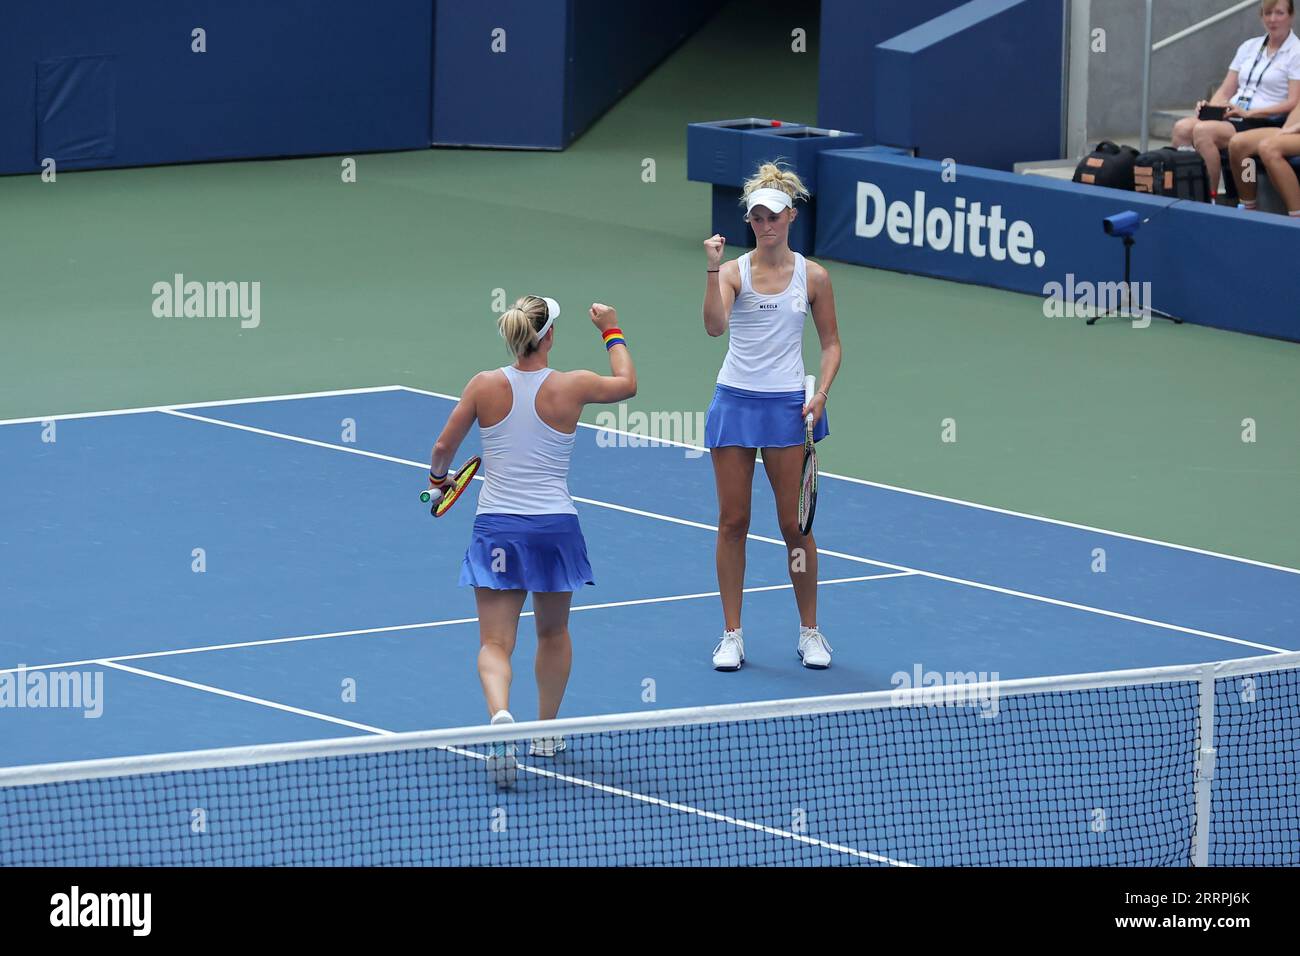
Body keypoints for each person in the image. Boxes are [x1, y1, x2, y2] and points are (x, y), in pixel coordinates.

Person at [429, 296, 635, 785]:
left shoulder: (483, 386)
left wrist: (440, 480)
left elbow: (443, 449)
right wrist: (612, 329)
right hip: (553, 529)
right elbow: (628, 383)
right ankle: (545, 732)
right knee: (553, 632)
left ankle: (501, 717)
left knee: (495, 642)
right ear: (549, 337)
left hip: (498, 527)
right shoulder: (573, 386)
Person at [701, 162, 842, 672]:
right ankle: (732, 635)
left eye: (774, 217)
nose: (765, 225)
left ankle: (810, 632)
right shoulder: (734, 272)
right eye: (757, 218)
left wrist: (821, 392)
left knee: (794, 527)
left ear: (791, 218)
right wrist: (713, 268)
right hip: (735, 404)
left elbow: (831, 345)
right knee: (733, 522)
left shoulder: (815, 277)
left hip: (787, 408)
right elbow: (715, 327)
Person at [1169, 0, 1300, 201]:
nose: (1273, 19)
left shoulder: (1296, 52)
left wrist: (1249, 113)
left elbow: (1293, 102)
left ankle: (1208, 200)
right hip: (1235, 114)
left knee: (1204, 131)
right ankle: (1187, 193)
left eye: (1279, 13)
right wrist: (1210, 108)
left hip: (1263, 119)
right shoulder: (1250, 46)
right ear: (1261, 16)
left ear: (1291, 16)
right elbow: (1226, 90)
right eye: (1268, 13)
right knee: (1182, 127)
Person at [1228, 95, 1300, 213]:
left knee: (1268, 148)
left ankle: (1296, 215)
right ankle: (1249, 208)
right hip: (1293, 130)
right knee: (1238, 144)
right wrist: (1288, 128)